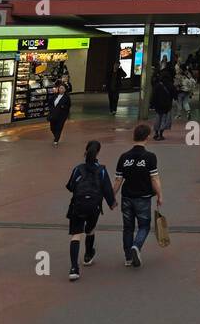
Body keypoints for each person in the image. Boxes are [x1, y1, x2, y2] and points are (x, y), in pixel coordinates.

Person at [63, 139, 117, 282]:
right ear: (98, 152)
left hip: (78, 205)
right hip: (94, 206)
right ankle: (88, 255)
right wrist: (112, 203)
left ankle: (74, 268)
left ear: (86, 151)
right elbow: (107, 189)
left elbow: (70, 186)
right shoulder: (102, 170)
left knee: (76, 235)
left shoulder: (78, 168)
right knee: (90, 230)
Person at [114, 123, 162, 268]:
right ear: (147, 137)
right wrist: (160, 195)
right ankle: (136, 246)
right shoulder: (150, 157)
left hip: (127, 197)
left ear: (134, 136)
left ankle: (128, 257)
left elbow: (118, 179)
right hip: (143, 197)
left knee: (127, 228)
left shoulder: (124, 157)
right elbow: (154, 178)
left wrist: (111, 197)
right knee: (144, 226)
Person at [47, 74, 72, 146]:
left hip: (61, 115)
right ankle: (56, 136)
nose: (61, 90)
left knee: (59, 127)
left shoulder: (66, 97)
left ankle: (56, 140)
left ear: (65, 89)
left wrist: (63, 107)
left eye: (62, 88)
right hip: (54, 114)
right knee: (52, 128)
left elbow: (68, 106)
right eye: (60, 88)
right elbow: (50, 102)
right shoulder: (55, 95)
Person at [150, 69, 174, 141]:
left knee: (157, 118)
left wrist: (152, 104)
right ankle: (161, 134)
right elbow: (174, 94)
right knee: (164, 119)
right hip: (167, 105)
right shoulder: (170, 85)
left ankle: (156, 133)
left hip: (158, 105)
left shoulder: (158, 85)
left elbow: (153, 95)